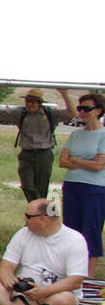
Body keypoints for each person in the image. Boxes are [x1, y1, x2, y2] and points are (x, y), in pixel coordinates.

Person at [0, 199, 88, 305]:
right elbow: (6, 265)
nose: (24, 219)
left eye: (28, 216)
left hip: (50, 297)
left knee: (66, 300)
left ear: (42, 219)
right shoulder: (22, 234)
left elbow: (75, 281)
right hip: (20, 294)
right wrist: (9, 281)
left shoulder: (75, 240)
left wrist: (43, 292)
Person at [0, 87, 74, 201]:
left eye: (33, 102)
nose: (29, 104)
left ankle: (38, 211)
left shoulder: (49, 113)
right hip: (26, 154)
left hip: (44, 154)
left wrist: (65, 94)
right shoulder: (20, 113)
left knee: (42, 186)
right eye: (27, 101)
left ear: (39, 103)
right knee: (27, 184)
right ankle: (35, 207)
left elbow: (72, 114)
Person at [58, 91, 105, 276]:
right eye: (80, 108)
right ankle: (71, 273)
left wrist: (75, 160)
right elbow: (62, 161)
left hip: (94, 189)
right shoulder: (76, 134)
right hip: (72, 186)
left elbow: (99, 166)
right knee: (71, 230)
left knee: (90, 230)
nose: (82, 112)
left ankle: (89, 276)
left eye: (87, 108)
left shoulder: (103, 134)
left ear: (98, 111)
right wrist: (86, 162)